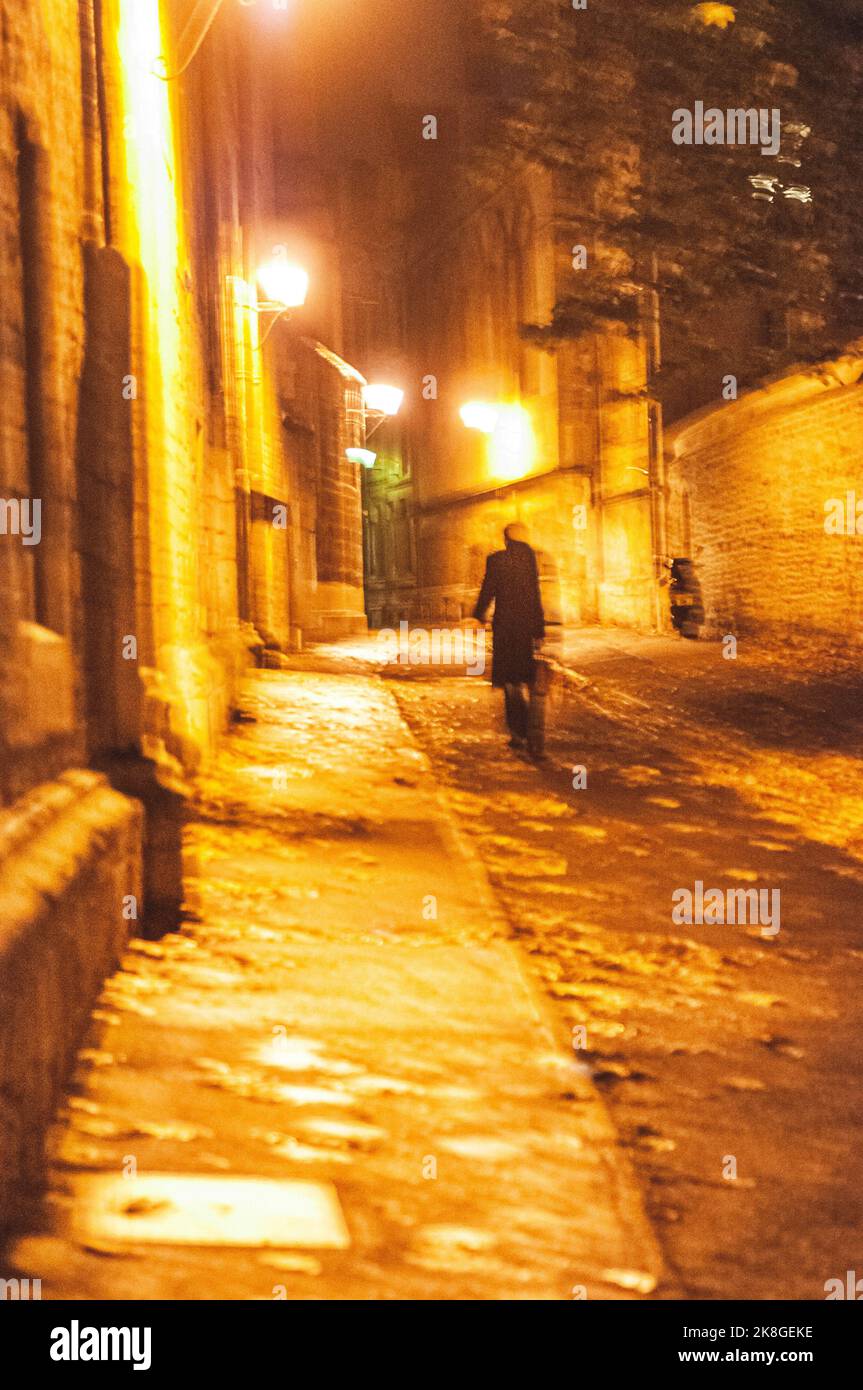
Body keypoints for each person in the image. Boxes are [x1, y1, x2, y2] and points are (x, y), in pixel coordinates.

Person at [474, 523, 546, 759]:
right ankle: (527, 727)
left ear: (505, 540)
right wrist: (539, 629)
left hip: (505, 625)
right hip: (525, 626)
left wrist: (478, 616)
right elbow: (535, 593)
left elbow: (488, 590)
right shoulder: (529, 559)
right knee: (523, 678)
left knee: (509, 680)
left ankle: (518, 732)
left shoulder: (495, 561)